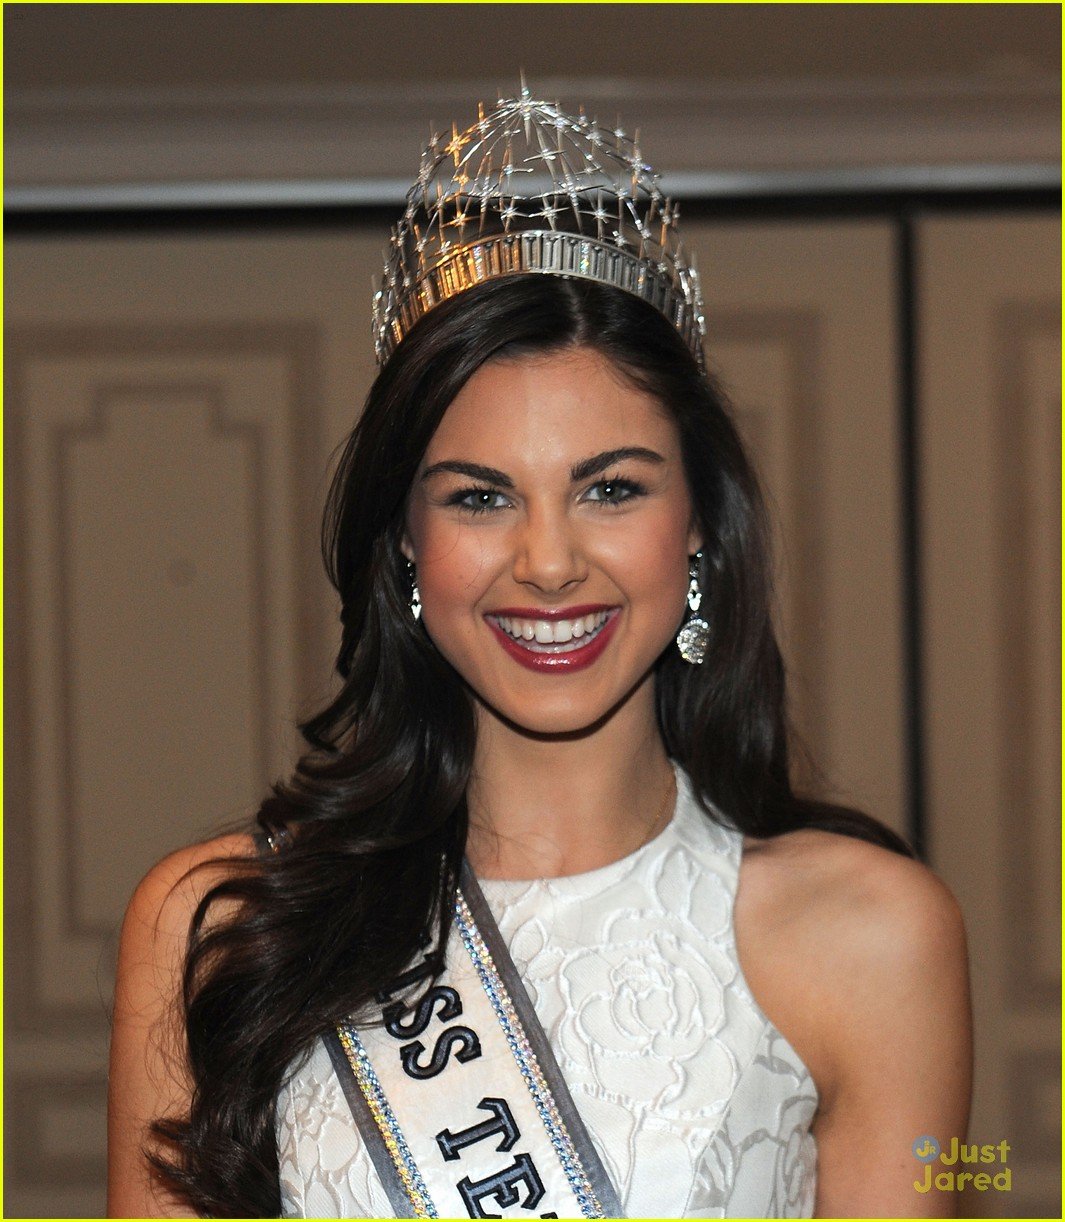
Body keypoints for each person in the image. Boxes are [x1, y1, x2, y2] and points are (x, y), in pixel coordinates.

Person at [107, 89, 973, 1220]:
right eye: (481, 498)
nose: (550, 562)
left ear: (700, 526)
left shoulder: (874, 935)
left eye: (610, 487)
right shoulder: (219, 922)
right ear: (407, 545)